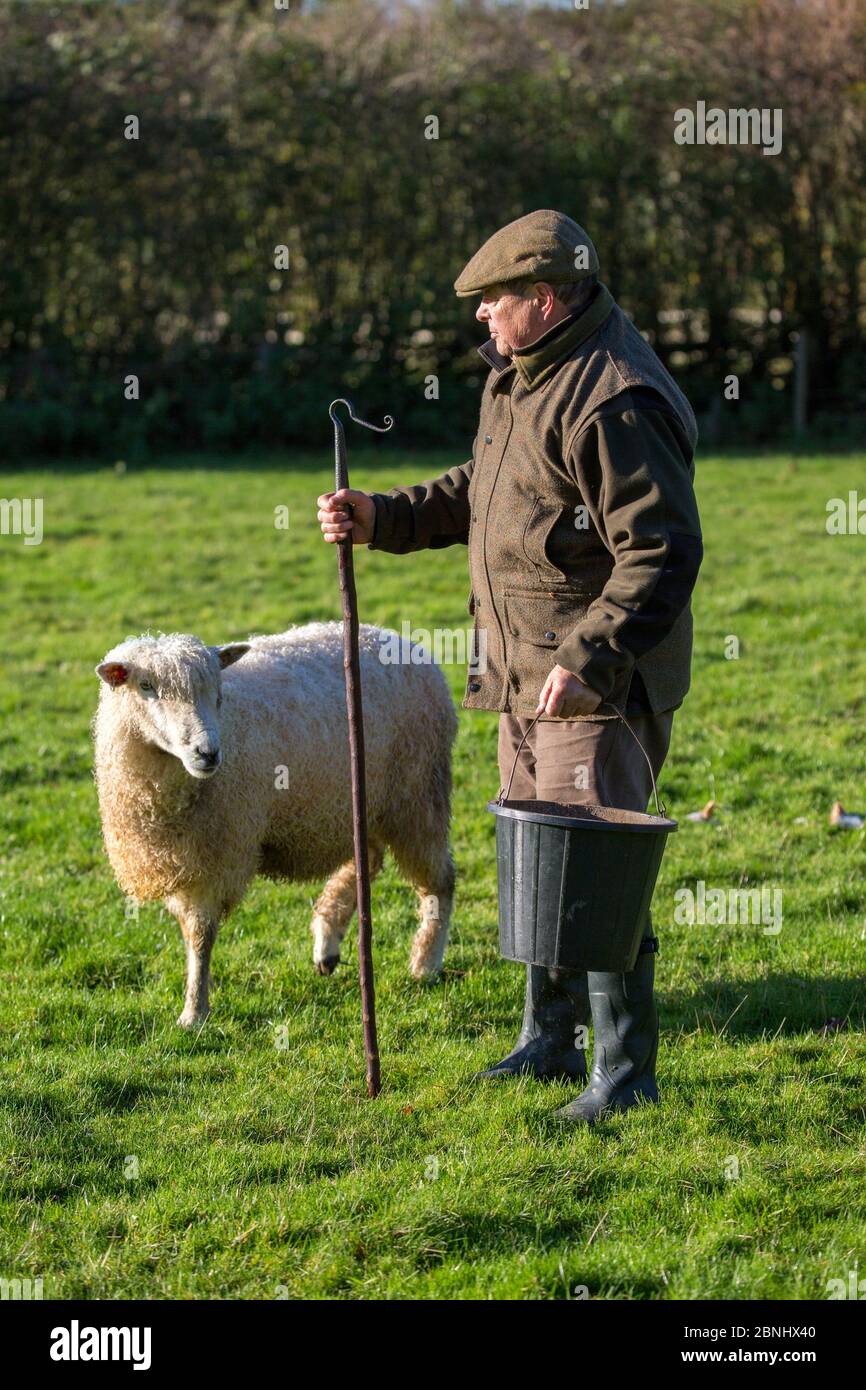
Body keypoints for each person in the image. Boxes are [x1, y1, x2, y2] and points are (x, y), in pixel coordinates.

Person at [317, 209, 703, 1125]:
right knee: (541, 858)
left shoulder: (615, 398)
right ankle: (547, 1039)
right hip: (523, 673)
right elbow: (488, 490)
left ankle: (625, 1074)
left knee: (595, 871)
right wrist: (385, 516)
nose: (481, 320)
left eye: (493, 302)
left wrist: (590, 658)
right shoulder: (524, 376)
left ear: (544, 297)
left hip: (591, 684)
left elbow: (661, 550)